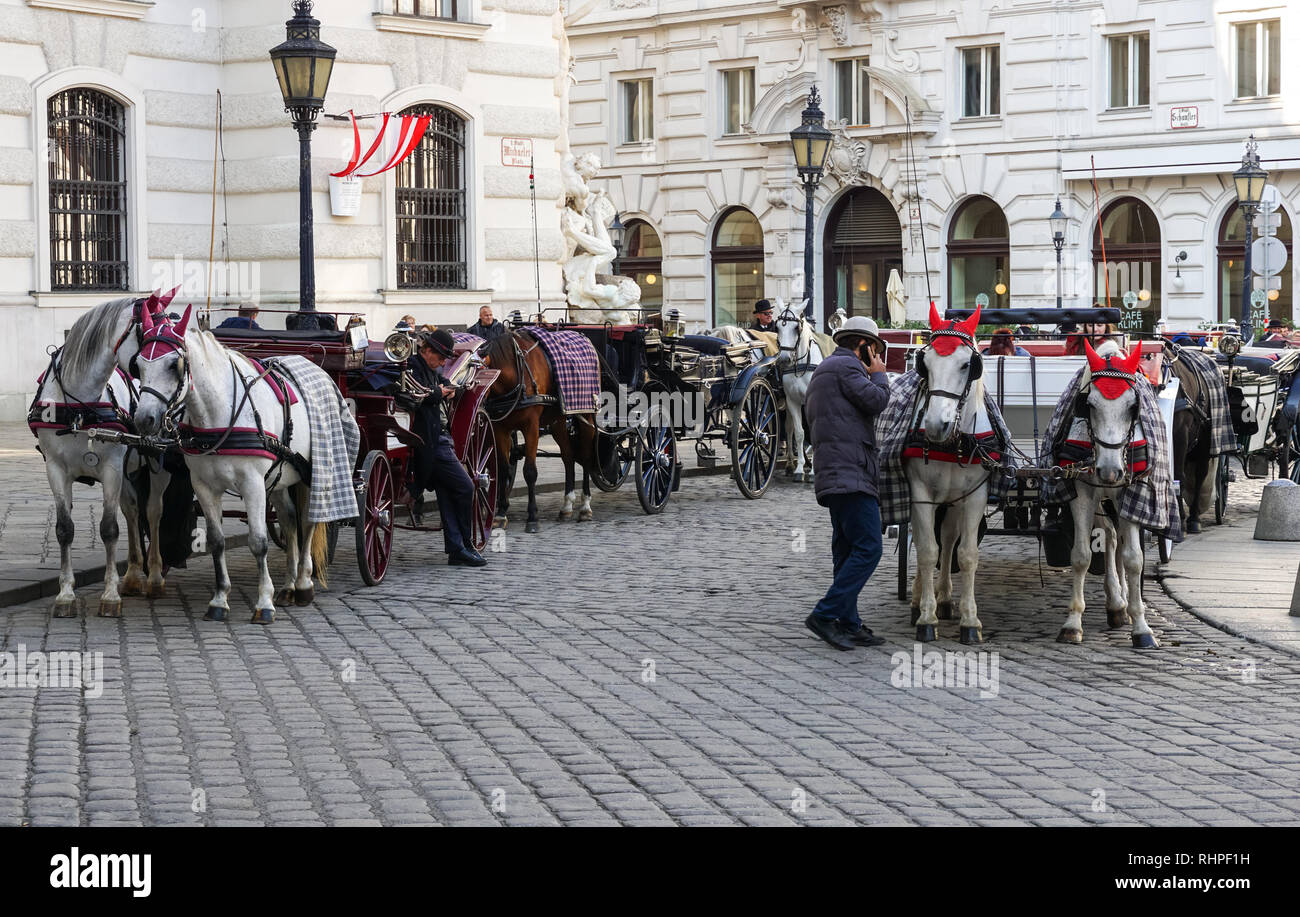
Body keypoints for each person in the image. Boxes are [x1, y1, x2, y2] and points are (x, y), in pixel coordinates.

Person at [802, 315, 892, 651]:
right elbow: (877, 401)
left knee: (846, 548)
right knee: (869, 547)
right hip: (851, 472)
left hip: (833, 472)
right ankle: (825, 615)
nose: (876, 356)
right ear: (865, 346)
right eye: (875, 350)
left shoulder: (825, 369)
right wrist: (880, 373)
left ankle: (849, 622)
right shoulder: (848, 367)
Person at [403, 329, 486, 567]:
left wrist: (448, 387)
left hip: (440, 437)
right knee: (465, 487)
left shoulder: (430, 369)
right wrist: (440, 392)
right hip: (430, 441)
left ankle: (457, 548)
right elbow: (417, 393)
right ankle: (465, 544)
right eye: (440, 357)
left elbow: (443, 382)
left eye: (445, 359)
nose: (443, 362)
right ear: (426, 350)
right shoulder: (413, 366)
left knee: (448, 491)